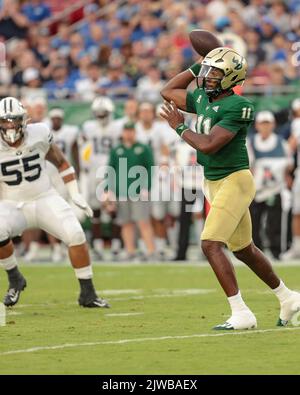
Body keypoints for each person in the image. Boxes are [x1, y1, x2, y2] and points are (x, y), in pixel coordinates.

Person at [160, 47, 300, 330]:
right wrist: (198, 65)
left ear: (230, 78)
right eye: (208, 72)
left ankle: (241, 312)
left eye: (214, 73)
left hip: (235, 180)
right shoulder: (203, 97)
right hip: (213, 180)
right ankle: (289, 298)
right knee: (243, 249)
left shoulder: (239, 106)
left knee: (210, 243)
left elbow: (209, 144)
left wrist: (179, 127)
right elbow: (168, 90)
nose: (207, 77)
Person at [0, 97, 109, 308]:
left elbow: (61, 162)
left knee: (76, 234)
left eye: (13, 120)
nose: (10, 126)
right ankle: (14, 278)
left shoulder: (39, 133)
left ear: (23, 120)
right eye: (5, 121)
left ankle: (88, 293)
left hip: (44, 198)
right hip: (12, 203)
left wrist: (75, 193)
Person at [248, 111, 291, 259]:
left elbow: (289, 165)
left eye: (267, 124)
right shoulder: (251, 143)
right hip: (256, 189)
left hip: (275, 189)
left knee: (274, 222)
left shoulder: (281, 143)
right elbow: (248, 166)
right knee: (254, 222)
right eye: (262, 124)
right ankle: (256, 252)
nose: (265, 127)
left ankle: (276, 251)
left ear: (273, 125)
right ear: (257, 125)